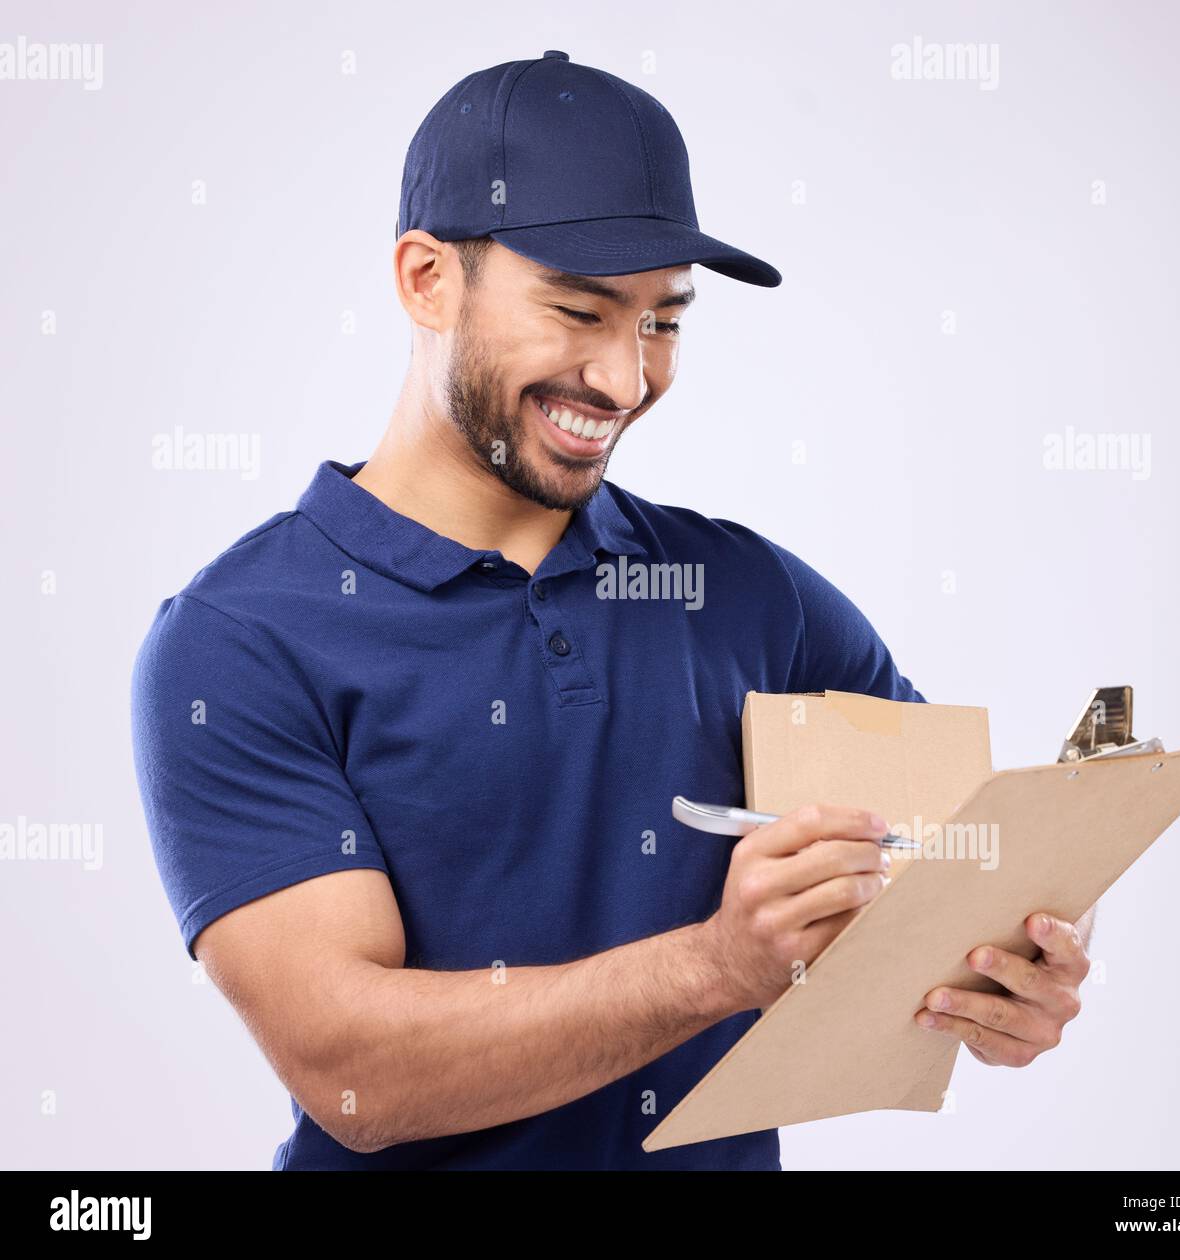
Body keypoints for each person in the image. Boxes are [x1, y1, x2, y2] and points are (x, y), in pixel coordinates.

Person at [130, 50, 1092, 1171]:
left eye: (662, 322)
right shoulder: (241, 639)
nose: (626, 379)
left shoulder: (746, 592)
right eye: (580, 310)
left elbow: (970, 851)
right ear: (425, 279)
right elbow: (356, 1070)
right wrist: (720, 966)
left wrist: (1020, 972)